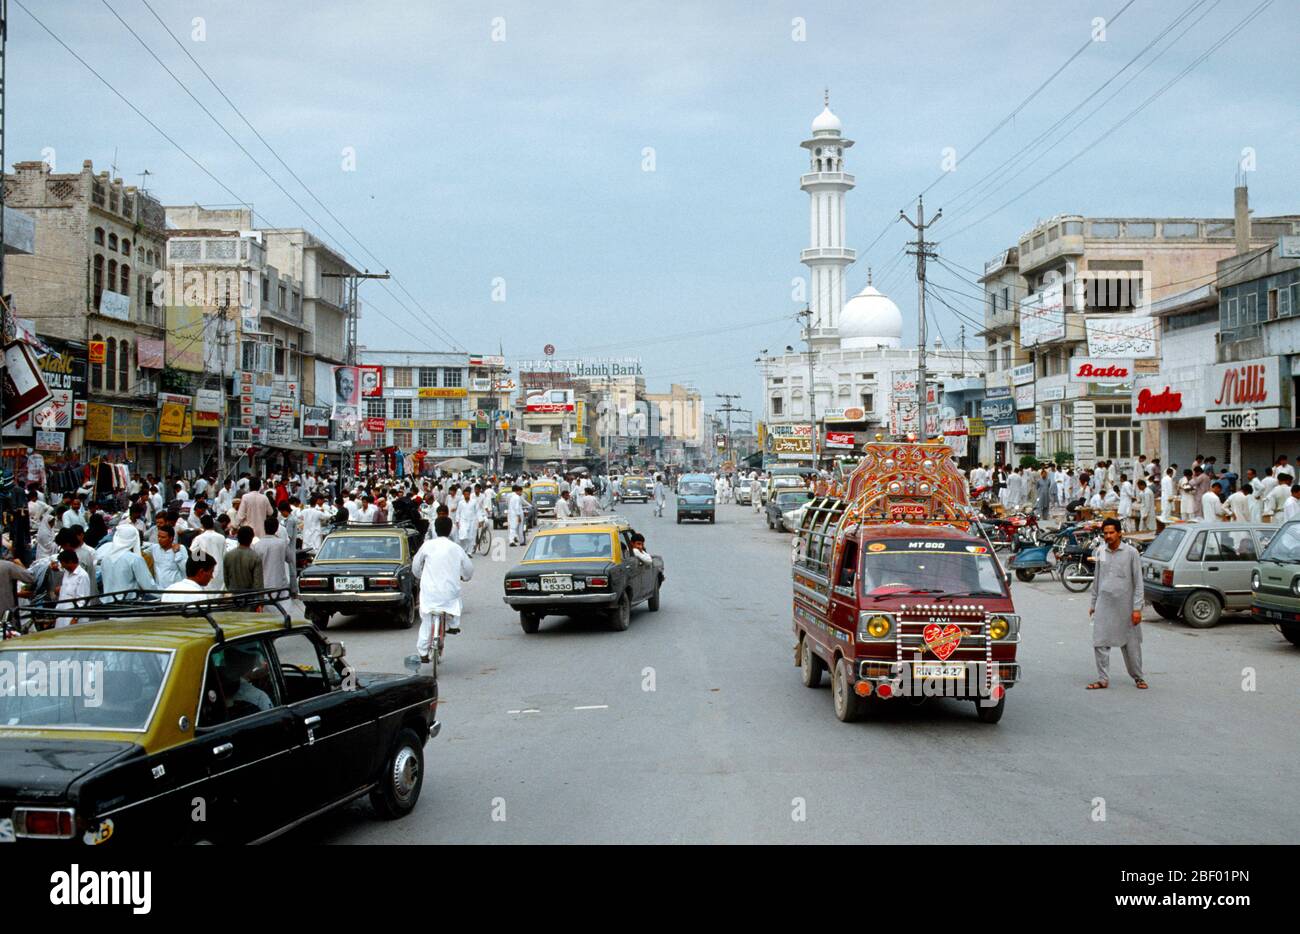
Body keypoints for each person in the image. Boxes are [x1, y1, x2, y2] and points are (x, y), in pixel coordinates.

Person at [1087, 518, 1146, 691]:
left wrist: (1137, 609)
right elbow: (1097, 579)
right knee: (1100, 641)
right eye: (1105, 533)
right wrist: (1093, 603)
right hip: (1104, 604)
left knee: (1131, 644)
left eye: (1111, 532)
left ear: (1119, 533)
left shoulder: (1131, 553)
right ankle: (1103, 679)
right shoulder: (1101, 551)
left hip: (1126, 606)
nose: (1108, 536)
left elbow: (1138, 582)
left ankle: (1138, 677)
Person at [412, 515, 474, 663]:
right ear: (450, 530)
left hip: (429, 592)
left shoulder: (427, 545)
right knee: (455, 602)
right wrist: (465, 577)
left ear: (435, 529)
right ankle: (453, 625)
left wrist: (420, 575)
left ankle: (423, 652)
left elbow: (416, 565)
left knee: (426, 619)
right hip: (449, 593)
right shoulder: (456, 548)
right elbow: (468, 569)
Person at [97, 524, 156, 600]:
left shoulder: (105, 559)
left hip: (107, 603)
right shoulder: (134, 559)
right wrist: (164, 594)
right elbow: (148, 586)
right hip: (128, 605)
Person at [253, 516, 290, 606]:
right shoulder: (282, 544)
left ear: (264, 527)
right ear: (277, 528)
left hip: (264, 586)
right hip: (280, 585)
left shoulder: (257, 545)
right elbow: (290, 559)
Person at [53, 549, 91, 628]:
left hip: (73, 618)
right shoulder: (67, 572)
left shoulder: (82, 576)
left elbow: (82, 600)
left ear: (70, 562)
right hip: (62, 615)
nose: (62, 566)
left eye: (63, 563)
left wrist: (75, 618)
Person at [224, 526, 264, 593]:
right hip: (249, 596)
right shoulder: (255, 557)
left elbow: (226, 579)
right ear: (251, 538)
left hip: (234, 594)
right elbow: (258, 583)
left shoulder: (228, 556)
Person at [149, 524, 189, 589]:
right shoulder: (154, 548)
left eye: (163, 537)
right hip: (159, 591)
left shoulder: (181, 548)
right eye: (158, 536)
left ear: (171, 538)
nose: (159, 539)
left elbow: (185, 570)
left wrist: (177, 553)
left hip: (176, 590)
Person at [454, 487, 478, 553]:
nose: (467, 496)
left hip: (472, 521)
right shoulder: (461, 503)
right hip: (463, 521)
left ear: (469, 494)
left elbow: (477, 511)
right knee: (463, 536)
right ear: (463, 495)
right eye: (465, 494)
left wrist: (479, 520)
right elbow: (458, 512)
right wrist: (457, 521)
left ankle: (469, 552)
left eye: (468, 494)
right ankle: (464, 548)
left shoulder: (474, 502)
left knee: (470, 537)